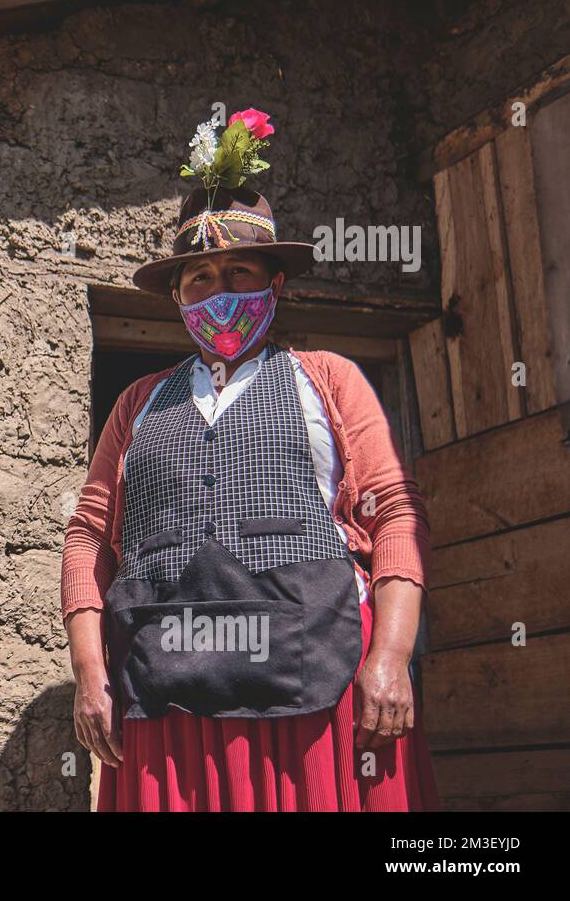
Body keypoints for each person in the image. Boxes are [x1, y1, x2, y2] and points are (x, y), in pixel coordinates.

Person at [60, 110, 440, 810]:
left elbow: (394, 515)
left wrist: (390, 657)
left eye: (239, 271)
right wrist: (91, 671)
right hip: (167, 696)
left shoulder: (326, 380)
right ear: (176, 295)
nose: (219, 290)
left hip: (312, 687)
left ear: (275, 285)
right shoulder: (139, 404)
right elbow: (87, 537)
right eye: (198, 278)